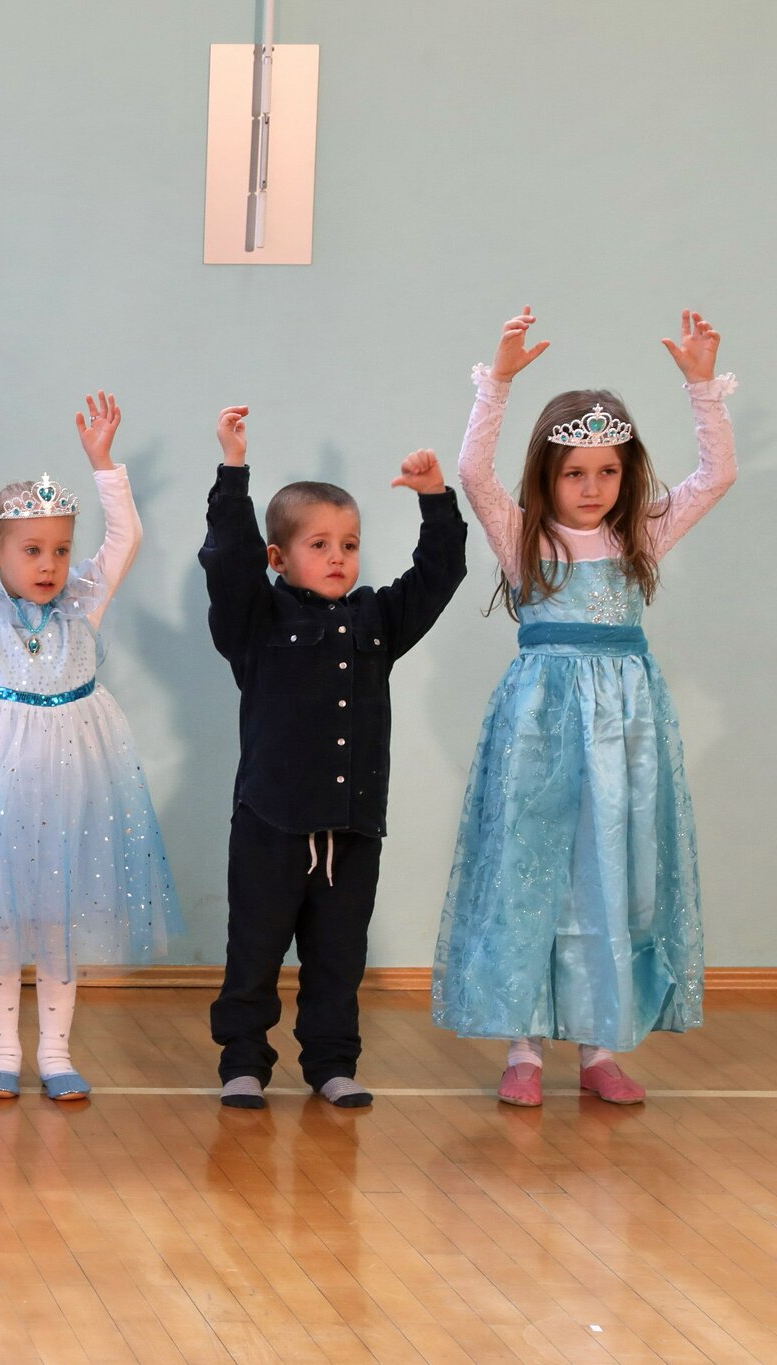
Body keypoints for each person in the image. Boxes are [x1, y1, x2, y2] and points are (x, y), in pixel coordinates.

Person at [433, 308, 736, 1106]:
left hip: (625, 731)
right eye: (576, 473)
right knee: (531, 870)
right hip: (539, 725)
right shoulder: (524, 536)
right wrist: (496, 381)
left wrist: (702, 388)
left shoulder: (641, 536)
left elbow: (717, 477)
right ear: (547, 477)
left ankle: (600, 1045)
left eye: (608, 471)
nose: (593, 487)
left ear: (626, 475)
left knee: (612, 870)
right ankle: (523, 1047)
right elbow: (472, 471)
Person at [0, 392, 183, 1101]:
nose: (50, 563)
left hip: (70, 782)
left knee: (57, 917)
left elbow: (126, 542)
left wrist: (103, 465)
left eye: (60, 549)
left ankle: (55, 1051)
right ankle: (2, 1050)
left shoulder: (83, 605)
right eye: (32, 550)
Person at [201, 403, 466, 1108]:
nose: (338, 557)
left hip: (351, 827)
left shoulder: (376, 620)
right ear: (279, 558)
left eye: (349, 544)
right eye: (319, 544)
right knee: (254, 952)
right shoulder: (256, 623)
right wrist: (233, 474)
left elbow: (438, 576)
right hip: (271, 823)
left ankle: (331, 1062)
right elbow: (227, 566)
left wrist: (437, 502)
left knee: (339, 959)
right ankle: (244, 1062)